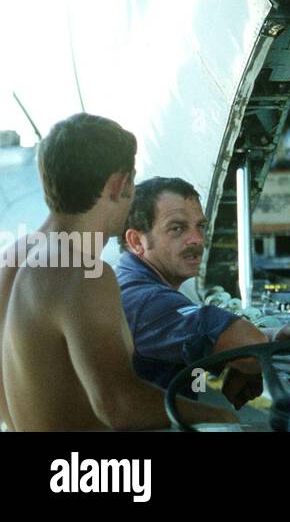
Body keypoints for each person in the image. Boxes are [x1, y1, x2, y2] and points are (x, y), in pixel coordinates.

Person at [0, 113, 233, 430]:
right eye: (132, 182)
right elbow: (121, 405)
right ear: (119, 184)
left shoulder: (14, 259)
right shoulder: (83, 272)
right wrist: (224, 418)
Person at [117, 176, 290, 407]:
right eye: (177, 228)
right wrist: (245, 358)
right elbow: (238, 339)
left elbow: (244, 346)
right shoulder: (146, 300)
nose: (197, 239)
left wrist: (270, 338)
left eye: (200, 227)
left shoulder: (128, 280)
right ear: (136, 241)